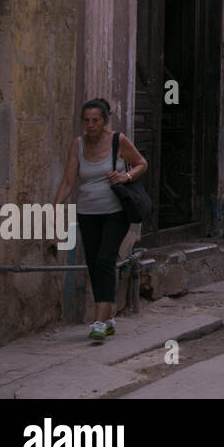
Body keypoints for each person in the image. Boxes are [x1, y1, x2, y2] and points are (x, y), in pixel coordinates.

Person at [53, 99, 148, 342]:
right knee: (94, 263)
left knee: (105, 259)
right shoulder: (78, 145)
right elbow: (68, 180)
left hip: (116, 211)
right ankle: (108, 318)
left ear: (104, 120)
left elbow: (141, 164)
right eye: (86, 120)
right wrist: (55, 206)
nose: (90, 125)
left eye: (95, 120)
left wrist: (125, 176)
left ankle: (98, 321)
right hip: (87, 212)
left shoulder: (118, 140)